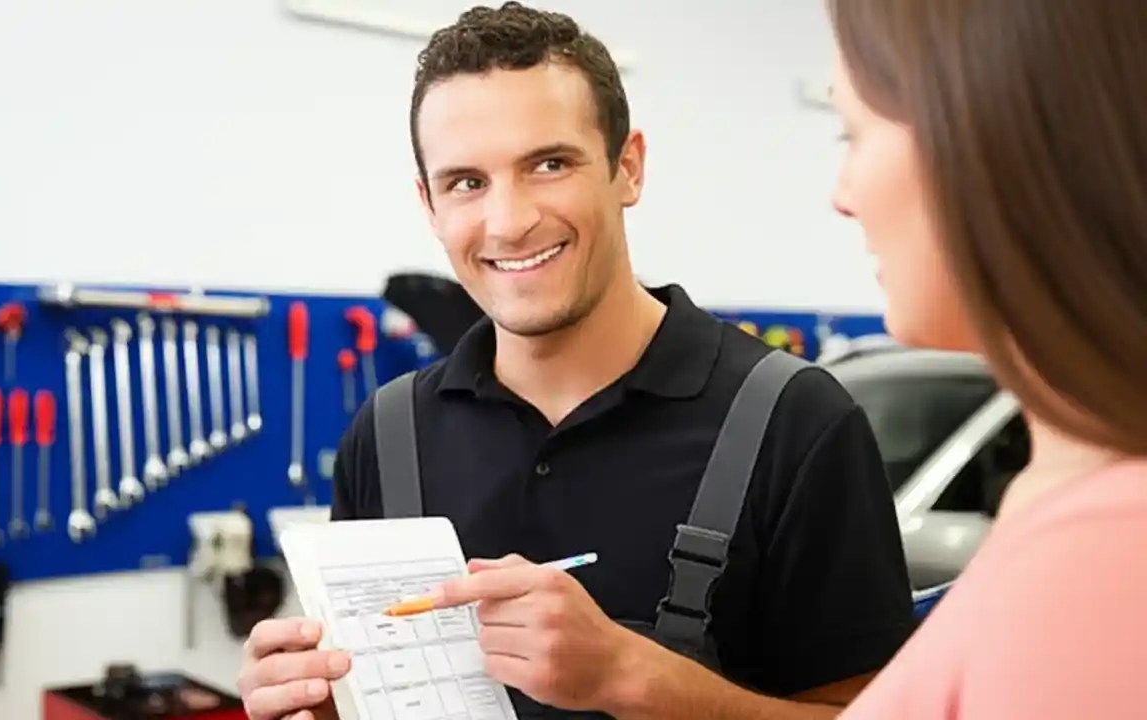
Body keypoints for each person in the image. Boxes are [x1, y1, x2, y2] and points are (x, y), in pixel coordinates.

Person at [239, 4, 916, 718]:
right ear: (429, 205)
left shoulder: (797, 423)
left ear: (628, 168)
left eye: (550, 164)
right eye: (467, 182)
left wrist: (639, 681)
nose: (509, 221)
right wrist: (321, 703)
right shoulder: (387, 433)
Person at [823, 0, 1147, 717]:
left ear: (989, 140)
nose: (840, 195)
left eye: (852, 133)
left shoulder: (1106, 554)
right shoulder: (1072, 499)